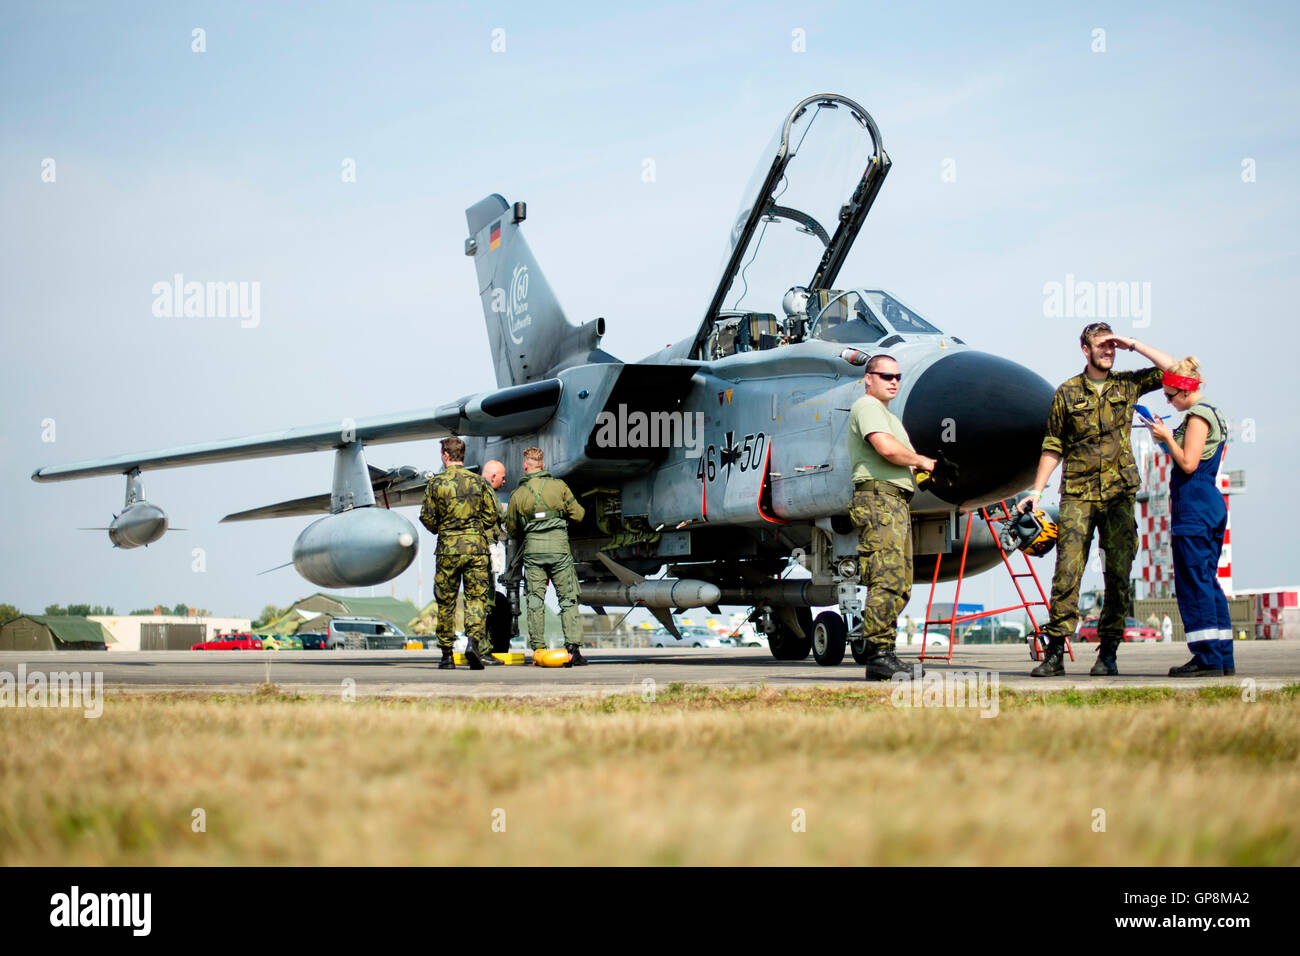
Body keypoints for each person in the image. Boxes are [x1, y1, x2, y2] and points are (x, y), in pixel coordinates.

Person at [1020, 323, 1177, 677]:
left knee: (1119, 575)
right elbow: (1053, 444)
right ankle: (1056, 652)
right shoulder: (1067, 392)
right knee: (1067, 573)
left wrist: (1133, 343)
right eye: (1101, 345)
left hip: (1119, 493)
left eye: (1112, 346)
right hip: (1077, 493)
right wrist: (1036, 491)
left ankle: (1108, 653)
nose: (1109, 351)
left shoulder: (1128, 383)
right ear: (1085, 349)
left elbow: (1176, 369)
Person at [848, 354, 936, 680]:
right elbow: (886, 449)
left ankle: (886, 653)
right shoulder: (867, 407)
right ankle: (878, 654)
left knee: (900, 582)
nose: (894, 381)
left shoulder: (888, 416)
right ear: (868, 378)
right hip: (879, 500)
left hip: (895, 501)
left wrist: (929, 469)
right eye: (886, 375)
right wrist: (924, 462)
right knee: (885, 577)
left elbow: (905, 459)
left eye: (897, 375)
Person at [1147, 357, 1234, 677]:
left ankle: (1206, 658)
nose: (1168, 401)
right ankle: (1222, 656)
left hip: (1194, 506)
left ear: (1184, 391)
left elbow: (1188, 463)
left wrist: (1167, 437)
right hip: (1207, 505)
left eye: (1170, 396)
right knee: (1207, 582)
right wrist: (1131, 344)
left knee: (1193, 584)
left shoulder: (1198, 416)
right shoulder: (1213, 411)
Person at [420, 437, 502, 670]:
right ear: (462, 456)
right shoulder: (479, 482)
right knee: (476, 598)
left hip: (448, 549)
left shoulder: (436, 484)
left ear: (445, 455)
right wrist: (476, 528)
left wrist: (441, 528)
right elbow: (492, 514)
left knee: (446, 601)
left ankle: (447, 655)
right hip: (475, 548)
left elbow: (427, 517)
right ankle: (473, 644)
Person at [504, 447, 588, 665]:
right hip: (559, 550)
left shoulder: (518, 494)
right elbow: (579, 515)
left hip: (533, 552)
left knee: (534, 599)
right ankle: (573, 650)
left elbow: (512, 530)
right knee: (568, 598)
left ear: (525, 466)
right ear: (543, 464)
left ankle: (538, 651)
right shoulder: (559, 487)